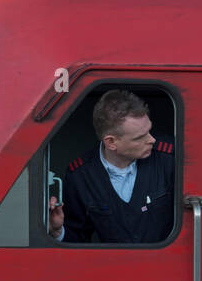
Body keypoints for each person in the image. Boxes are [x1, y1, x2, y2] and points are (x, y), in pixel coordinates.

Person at [49, 89, 174, 244]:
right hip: (114, 267)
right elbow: (78, 241)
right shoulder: (81, 176)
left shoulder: (170, 156)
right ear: (111, 142)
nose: (152, 140)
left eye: (149, 130)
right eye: (140, 137)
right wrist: (57, 232)